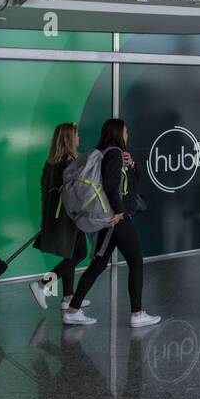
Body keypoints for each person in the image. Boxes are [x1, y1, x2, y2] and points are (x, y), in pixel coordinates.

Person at [67, 118, 161, 327]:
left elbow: (132, 181)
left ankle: (73, 310)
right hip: (116, 219)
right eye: (126, 131)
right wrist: (120, 212)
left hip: (108, 220)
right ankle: (137, 314)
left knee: (98, 264)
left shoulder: (106, 154)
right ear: (119, 133)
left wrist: (133, 164)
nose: (128, 134)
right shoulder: (114, 154)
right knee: (136, 261)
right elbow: (111, 186)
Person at [28, 122, 92, 315]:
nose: (79, 138)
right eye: (76, 134)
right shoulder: (71, 163)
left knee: (70, 253)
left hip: (56, 216)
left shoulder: (51, 163)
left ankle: (68, 297)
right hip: (70, 217)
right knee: (79, 254)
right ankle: (42, 285)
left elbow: (43, 190)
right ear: (69, 139)